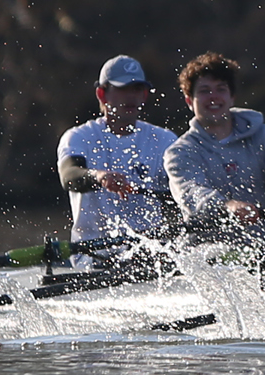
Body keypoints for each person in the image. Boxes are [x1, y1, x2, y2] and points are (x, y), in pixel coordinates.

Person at [55, 55, 179, 260]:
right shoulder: (79, 137)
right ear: (102, 94)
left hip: (151, 255)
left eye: (137, 89)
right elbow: (69, 176)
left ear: (144, 95)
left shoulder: (165, 140)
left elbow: (185, 186)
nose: (131, 97)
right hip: (94, 256)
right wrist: (99, 177)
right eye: (122, 89)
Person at [164, 52, 265, 239]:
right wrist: (228, 206)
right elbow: (192, 193)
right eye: (204, 91)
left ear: (232, 97)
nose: (213, 97)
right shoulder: (179, 153)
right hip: (210, 249)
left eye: (220, 89)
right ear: (189, 101)